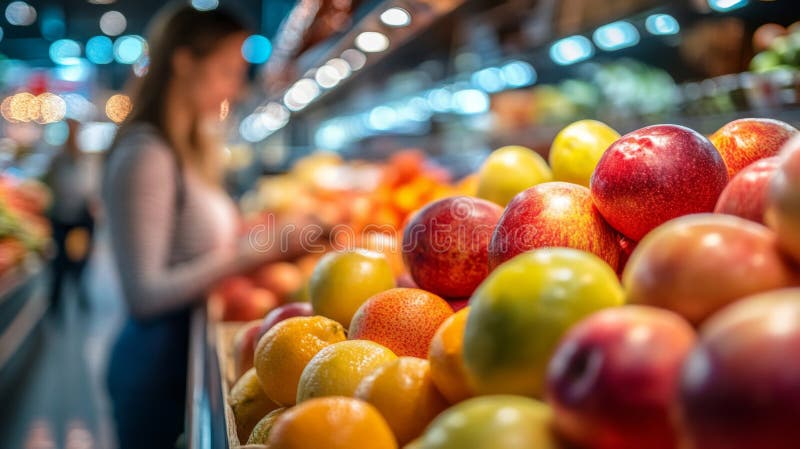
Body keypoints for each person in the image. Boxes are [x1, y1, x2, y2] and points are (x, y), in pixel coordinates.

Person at [102, 4, 308, 448]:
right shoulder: (146, 154)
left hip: (177, 356)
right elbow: (144, 295)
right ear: (183, 62)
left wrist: (274, 234)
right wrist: (253, 253)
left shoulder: (187, 151)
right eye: (226, 70)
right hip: (154, 367)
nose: (234, 86)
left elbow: (201, 243)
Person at [45, 118, 98, 311]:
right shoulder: (58, 159)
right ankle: (56, 301)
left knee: (81, 259)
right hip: (62, 216)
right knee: (60, 262)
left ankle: (80, 293)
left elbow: (90, 187)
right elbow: (53, 185)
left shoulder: (85, 159)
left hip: (81, 217)